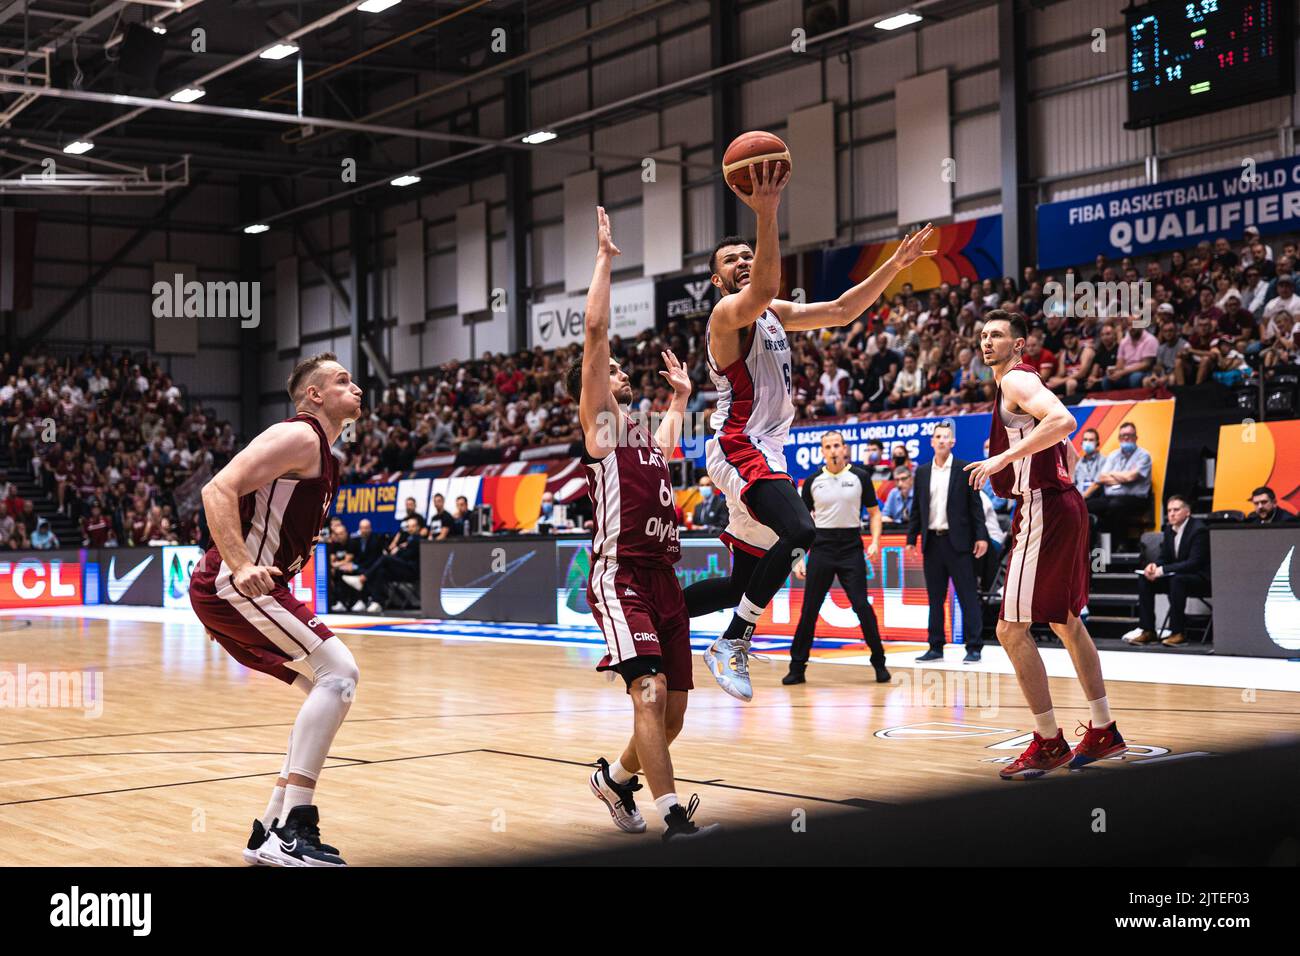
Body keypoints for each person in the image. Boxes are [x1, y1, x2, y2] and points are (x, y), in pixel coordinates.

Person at [691, 158, 936, 703]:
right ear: (716, 280)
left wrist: (895, 264)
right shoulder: (729, 314)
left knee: (740, 583)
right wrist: (768, 211)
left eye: (746, 255)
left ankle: (652, 623)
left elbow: (846, 310)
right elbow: (763, 288)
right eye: (731, 260)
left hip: (766, 452)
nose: (742, 262)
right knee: (802, 532)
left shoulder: (772, 310)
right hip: (737, 446)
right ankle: (732, 641)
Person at [567, 206, 718, 843]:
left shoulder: (642, 435)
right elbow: (597, 331)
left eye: (626, 372)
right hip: (620, 574)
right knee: (649, 696)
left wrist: (683, 399)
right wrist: (604, 260)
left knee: (673, 712)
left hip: (665, 579)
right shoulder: (601, 423)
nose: (622, 372)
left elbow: (665, 445)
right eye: (616, 371)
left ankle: (616, 780)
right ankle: (673, 817)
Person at [189, 351, 360, 866]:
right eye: (342, 380)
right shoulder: (300, 434)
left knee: (321, 688)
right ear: (315, 394)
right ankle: (295, 827)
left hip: (253, 588)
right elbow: (217, 487)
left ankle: (269, 829)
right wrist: (241, 565)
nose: (356, 387)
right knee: (340, 672)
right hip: (234, 584)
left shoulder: (324, 452)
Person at [964, 311, 1123, 780]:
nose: (986, 341)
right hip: (1063, 502)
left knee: (1010, 630)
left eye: (997, 335)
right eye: (983, 334)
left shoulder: (1015, 379)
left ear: (1018, 346)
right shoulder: (1014, 383)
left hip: (1044, 508)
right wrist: (1056, 474)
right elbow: (1066, 450)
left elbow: (1064, 420)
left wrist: (1002, 460)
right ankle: (1104, 729)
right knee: (1066, 621)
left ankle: (1049, 741)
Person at [784, 431, 890, 686]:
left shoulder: (860, 477)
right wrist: (798, 557)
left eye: (837, 446)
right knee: (809, 609)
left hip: (851, 547)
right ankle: (797, 668)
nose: (833, 450)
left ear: (844, 448)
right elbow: (801, 523)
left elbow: (875, 514)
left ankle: (879, 663)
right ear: (822, 451)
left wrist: (875, 541)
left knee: (862, 607)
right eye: (828, 446)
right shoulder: (812, 481)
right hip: (821, 548)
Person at [907, 422, 989, 663]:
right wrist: (911, 538)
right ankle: (935, 647)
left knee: (967, 596)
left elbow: (976, 508)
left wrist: (981, 536)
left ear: (953, 442)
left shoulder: (964, 469)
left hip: (959, 543)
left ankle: (974, 647)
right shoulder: (921, 472)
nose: (942, 440)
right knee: (935, 597)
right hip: (932, 541)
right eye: (938, 437)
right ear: (932, 442)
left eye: (946, 437)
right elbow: (917, 509)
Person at [1128, 495, 1210, 647]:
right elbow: (1164, 557)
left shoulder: (1199, 530)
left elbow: (1194, 563)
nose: (1171, 514)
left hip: (1200, 579)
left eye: (1176, 510)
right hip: (1178, 577)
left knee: (1177, 580)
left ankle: (1178, 632)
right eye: (1169, 510)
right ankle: (1148, 630)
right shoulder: (1168, 530)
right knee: (1145, 579)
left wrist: (1163, 570)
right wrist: (1153, 566)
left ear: (1187, 512)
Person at [1085, 420, 1153, 538]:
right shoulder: (1113, 455)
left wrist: (1112, 474)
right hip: (1110, 497)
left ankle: (1116, 545)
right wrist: (1123, 476)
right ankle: (1093, 543)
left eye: (1129, 435)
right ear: (1119, 438)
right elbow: (1101, 478)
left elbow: (1131, 477)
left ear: (1136, 437)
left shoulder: (1144, 455)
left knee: (1115, 506)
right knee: (1085, 505)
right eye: (1123, 435)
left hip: (1135, 498)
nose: (1126, 438)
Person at [342, 516, 421, 612]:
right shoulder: (407, 538)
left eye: (413, 526)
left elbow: (407, 555)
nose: (410, 528)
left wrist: (399, 549)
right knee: (380, 571)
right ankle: (377, 602)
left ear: (418, 527)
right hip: (402, 567)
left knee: (385, 558)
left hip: (411, 570)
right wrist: (400, 548)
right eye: (409, 526)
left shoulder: (418, 540)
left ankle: (362, 579)